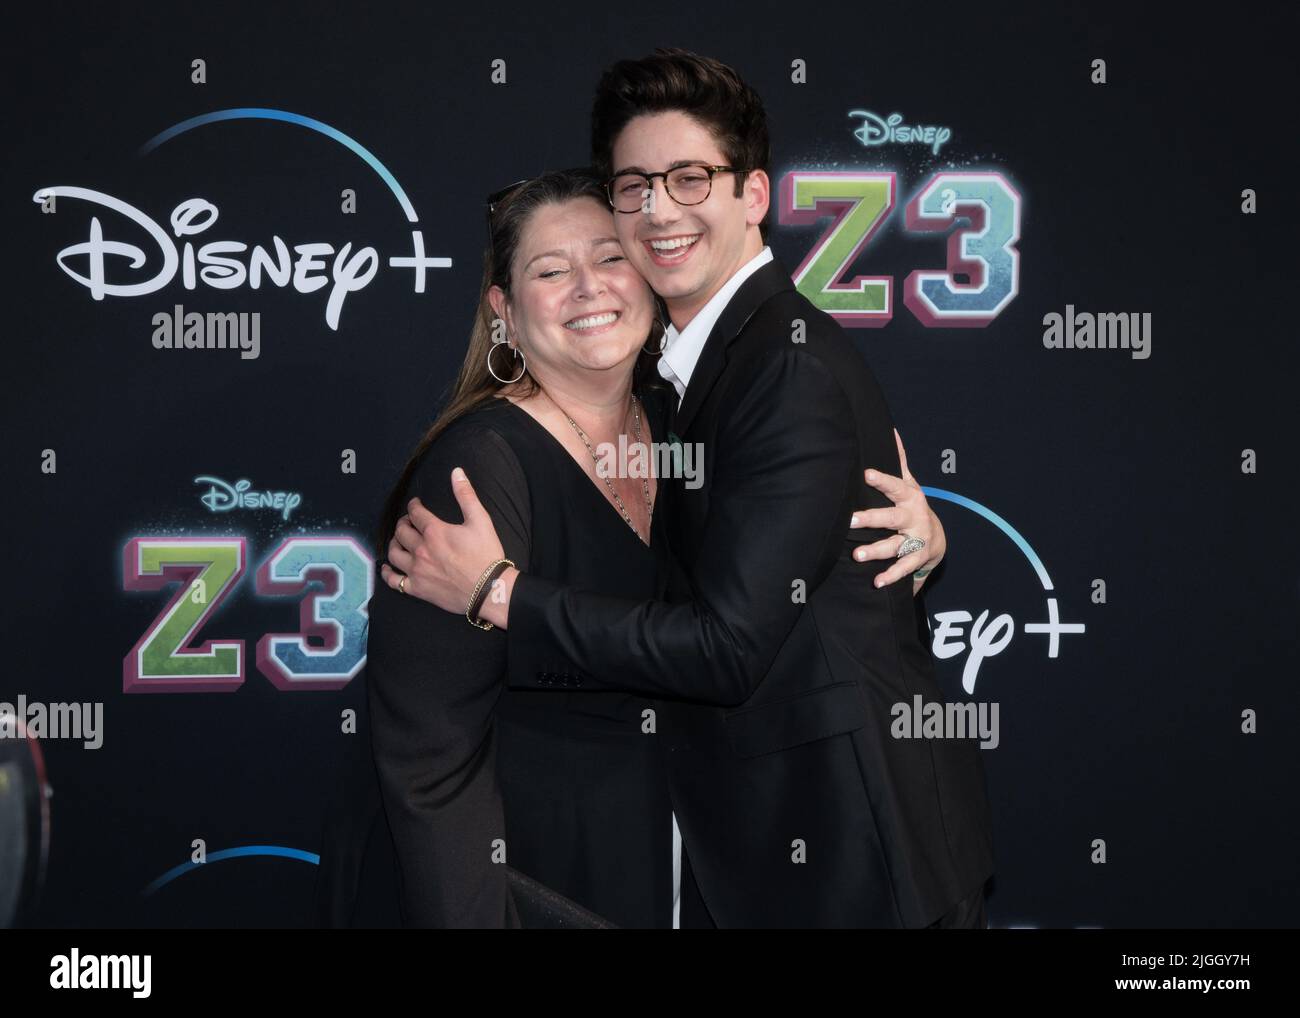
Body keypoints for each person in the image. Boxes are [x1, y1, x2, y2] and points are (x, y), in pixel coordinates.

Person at [382, 49, 994, 928]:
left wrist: (498, 594)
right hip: (618, 872)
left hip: (848, 857)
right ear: (503, 312)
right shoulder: (570, 435)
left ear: (755, 196)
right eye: (634, 186)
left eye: (690, 178)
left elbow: (726, 645)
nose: (658, 209)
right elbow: (427, 751)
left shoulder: (771, 376)